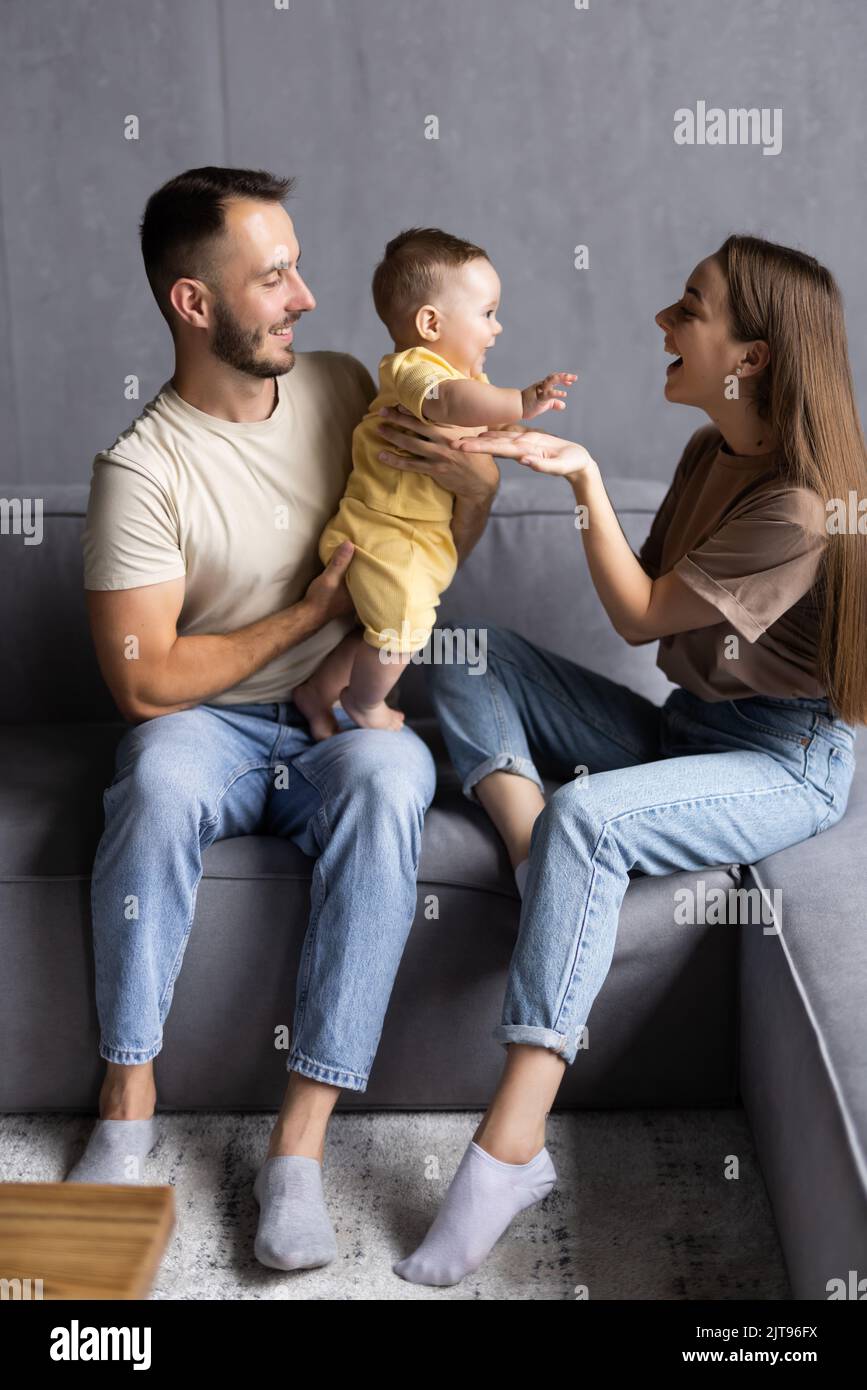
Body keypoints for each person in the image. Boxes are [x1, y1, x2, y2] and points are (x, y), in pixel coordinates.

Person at [376, 234, 867, 1287]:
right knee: (469, 647)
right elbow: (645, 611)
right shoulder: (709, 457)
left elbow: (639, 617)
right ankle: (529, 856)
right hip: (692, 728)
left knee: (589, 820)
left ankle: (508, 1157)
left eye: (690, 306)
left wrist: (585, 476)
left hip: (785, 760)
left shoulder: (794, 507)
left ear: (755, 353)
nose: (663, 321)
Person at [66, 166, 500, 1276]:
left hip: (335, 721)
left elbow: (423, 550)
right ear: (195, 305)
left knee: (394, 777)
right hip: (206, 721)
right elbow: (145, 683)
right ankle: (125, 1110)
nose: (306, 294)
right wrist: (305, 612)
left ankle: (296, 1153)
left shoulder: (354, 386)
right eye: (273, 276)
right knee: (156, 776)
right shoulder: (141, 470)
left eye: (298, 265)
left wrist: (478, 487)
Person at [293, 226, 575, 736]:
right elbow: (449, 404)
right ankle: (364, 704)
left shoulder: (470, 385)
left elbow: (483, 421)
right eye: (487, 314)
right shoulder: (414, 370)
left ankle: (316, 692)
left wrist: (520, 435)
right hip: (384, 529)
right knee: (402, 629)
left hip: (420, 537)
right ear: (429, 323)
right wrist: (521, 399)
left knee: (379, 630)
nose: (498, 328)